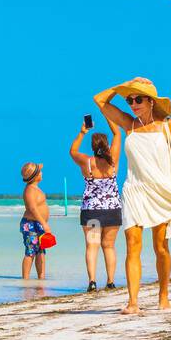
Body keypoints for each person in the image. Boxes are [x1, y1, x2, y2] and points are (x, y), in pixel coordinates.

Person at [94, 77, 171, 314]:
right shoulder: (128, 125)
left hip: (159, 190)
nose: (133, 104)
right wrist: (125, 85)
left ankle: (163, 295)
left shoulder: (167, 125)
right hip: (134, 189)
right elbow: (99, 100)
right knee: (132, 244)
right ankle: (133, 302)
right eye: (130, 99)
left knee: (160, 246)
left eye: (138, 99)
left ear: (151, 102)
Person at [70, 118, 123, 292]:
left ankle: (92, 282)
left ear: (93, 147)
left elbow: (72, 151)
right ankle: (110, 282)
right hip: (112, 210)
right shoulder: (112, 161)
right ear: (106, 145)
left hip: (91, 211)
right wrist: (108, 114)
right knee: (109, 246)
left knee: (92, 246)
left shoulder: (86, 162)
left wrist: (82, 132)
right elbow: (118, 133)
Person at [19, 161, 52, 280]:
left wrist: (43, 223)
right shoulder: (29, 190)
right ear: (36, 176)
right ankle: (25, 279)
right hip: (30, 224)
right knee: (30, 251)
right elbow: (32, 208)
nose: (42, 173)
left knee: (41, 251)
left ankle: (41, 278)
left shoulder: (36, 188)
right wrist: (44, 223)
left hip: (39, 224)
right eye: (40, 172)